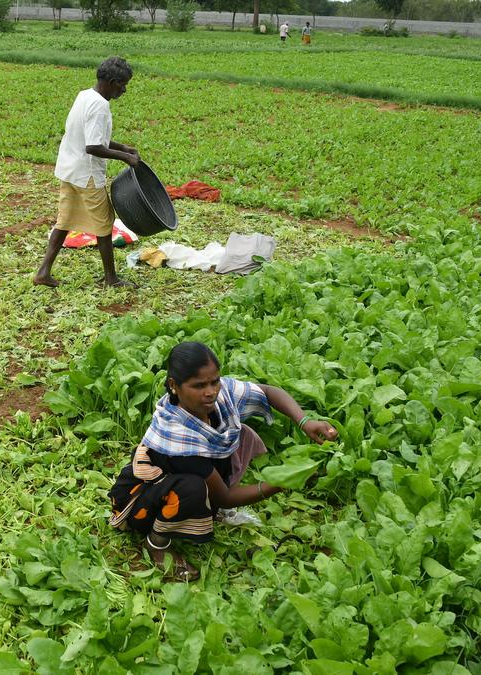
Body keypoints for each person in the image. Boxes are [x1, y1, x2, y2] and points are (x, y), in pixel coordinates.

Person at [108, 342, 338, 581]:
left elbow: (268, 392)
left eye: (214, 381)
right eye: (198, 385)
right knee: (193, 489)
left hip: (171, 485)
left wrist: (304, 421)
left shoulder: (219, 397)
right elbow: (225, 497)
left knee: (237, 434)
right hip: (141, 505)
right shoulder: (178, 435)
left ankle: (204, 512)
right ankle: (157, 544)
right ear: (174, 386)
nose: (210, 391)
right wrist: (283, 483)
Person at [34, 56, 139, 289]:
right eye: (123, 84)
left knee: (64, 220)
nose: (124, 90)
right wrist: (127, 158)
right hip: (87, 175)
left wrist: (123, 147)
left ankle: (43, 272)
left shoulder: (85, 95)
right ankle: (111, 278)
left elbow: (92, 137)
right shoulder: (100, 106)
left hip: (69, 170)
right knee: (104, 224)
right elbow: (93, 147)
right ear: (112, 82)